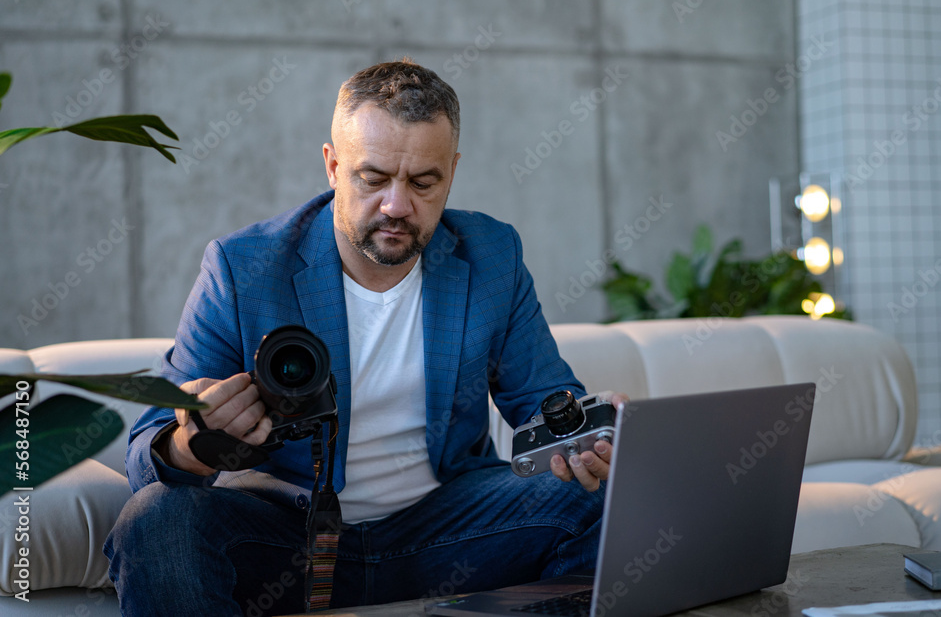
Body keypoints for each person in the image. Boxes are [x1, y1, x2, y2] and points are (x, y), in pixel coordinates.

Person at [104, 59, 627, 615]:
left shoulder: (491, 253)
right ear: (332, 166)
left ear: (452, 171)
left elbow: (545, 402)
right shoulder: (244, 268)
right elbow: (147, 456)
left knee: (604, 501)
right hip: (288, 540)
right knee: (157, 521)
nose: (397, 206)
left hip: (449, 529)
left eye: (424, 182)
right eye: (373, 179)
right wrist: (196, 441)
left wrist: (588, 438)